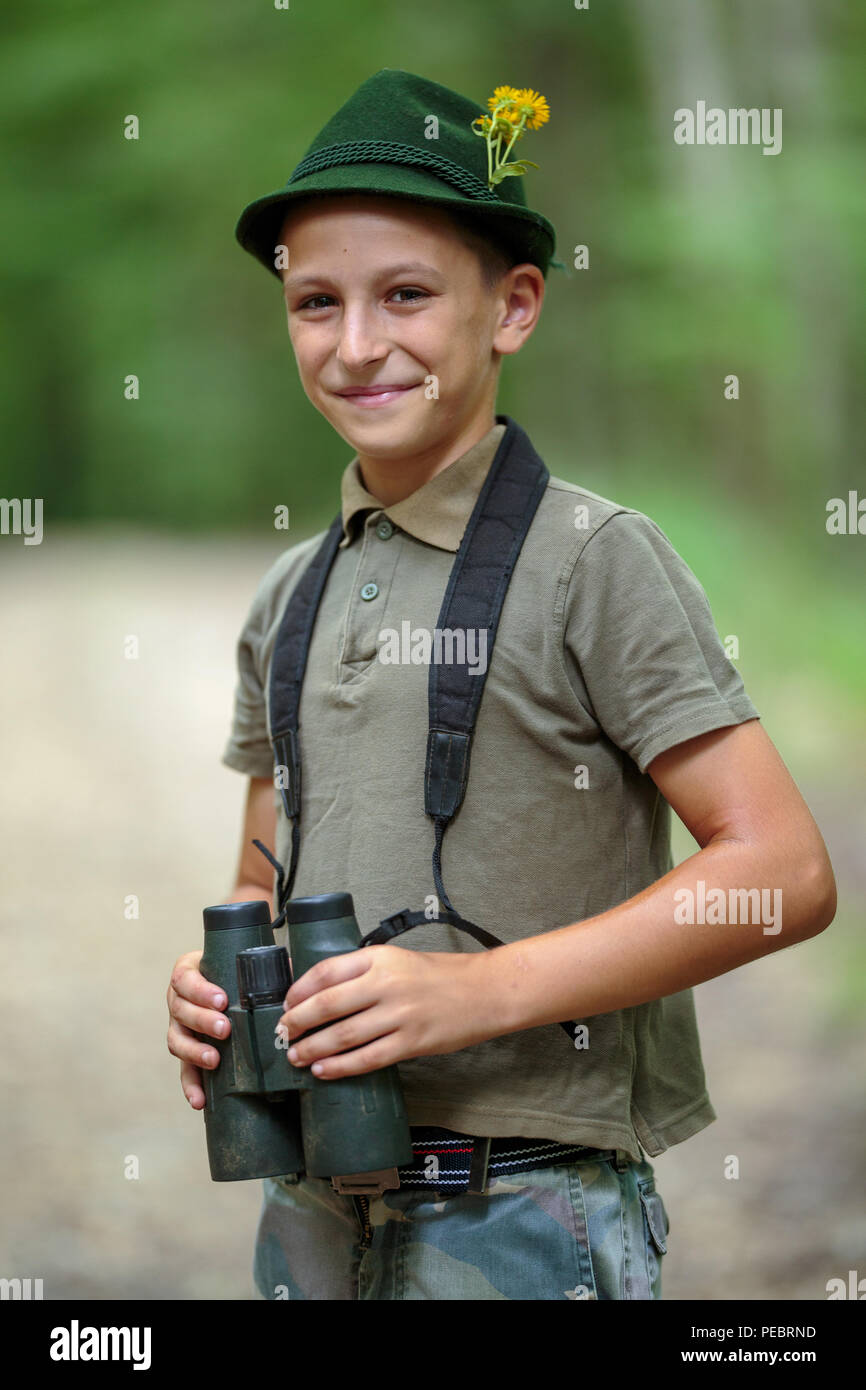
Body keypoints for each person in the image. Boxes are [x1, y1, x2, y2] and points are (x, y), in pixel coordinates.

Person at [166, 70, 836, 1301]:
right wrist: (218, 990)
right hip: (308, 1201)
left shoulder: (592, 559)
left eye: (406, 295)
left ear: (512, 306)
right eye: (316, 302)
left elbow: (781, 876)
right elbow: (259, 878)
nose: (357, 343)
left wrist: (480, 989)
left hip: (527, 1207)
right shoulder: (288, 595)